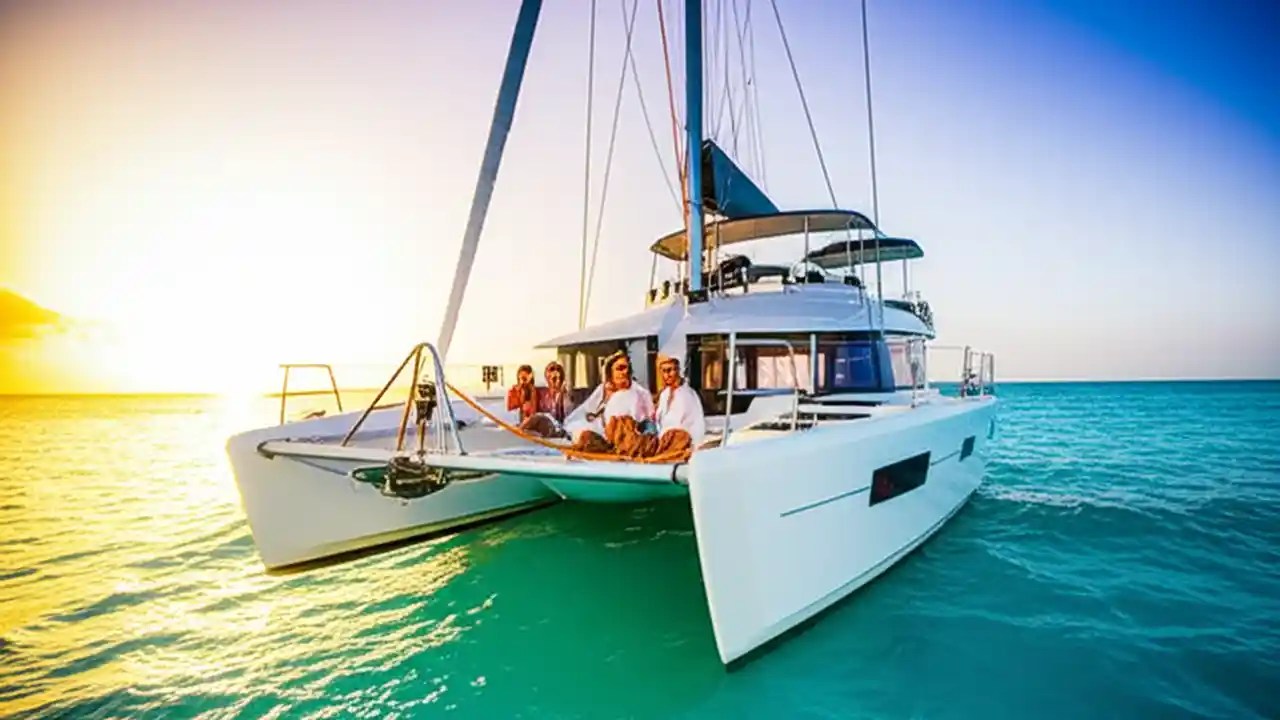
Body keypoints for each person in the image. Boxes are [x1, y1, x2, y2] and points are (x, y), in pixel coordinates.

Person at [567, 350, 655, 454]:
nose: (625, 372)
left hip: (630, 441)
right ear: (611, 373)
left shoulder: (641, 393)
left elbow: (649, 422)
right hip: (604, 437)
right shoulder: (604, 390)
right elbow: (584, 411)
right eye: (620, 369)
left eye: (627, 368)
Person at [654, 356, 705, 447]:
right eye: (663, 371)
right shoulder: (664, 394)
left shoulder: (688, 394)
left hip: (684, 443)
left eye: (669, 370)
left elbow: (694, 425)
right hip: (665, 443)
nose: (666, 375)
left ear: (677, 370)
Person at [520, 361, 575, 438]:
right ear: (548, 379)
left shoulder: (566, 396)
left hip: (559, 430)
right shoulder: (542, 393)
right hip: (543, 430)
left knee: (540, 417)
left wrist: (563, 394)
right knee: (538, 417)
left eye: (560, 378)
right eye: (554, 379)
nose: (558, 381)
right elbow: (531, 412)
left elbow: (569, 418)